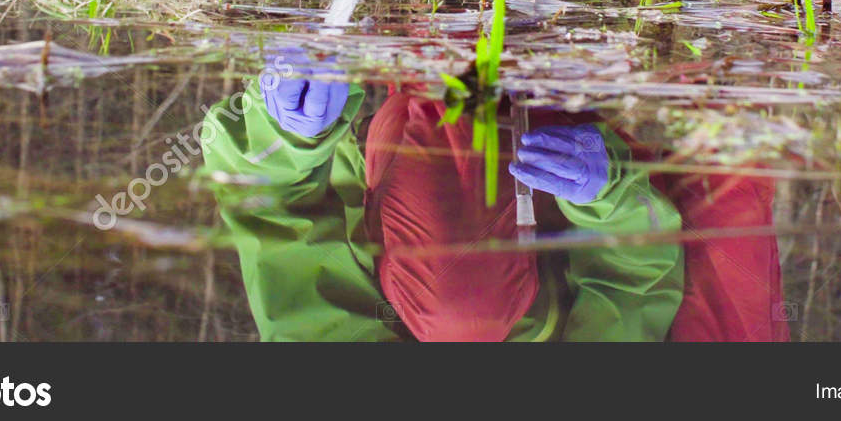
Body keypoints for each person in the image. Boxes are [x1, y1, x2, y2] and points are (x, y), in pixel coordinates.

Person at [199, 58, 790, 341]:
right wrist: (608, 195)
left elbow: (273, 215)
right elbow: (632, 283)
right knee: (728, 160)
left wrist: (287, 137)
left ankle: (446, 62)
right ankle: (691, 61)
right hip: (575, 184)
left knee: (458, 314)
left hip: (429, 189)